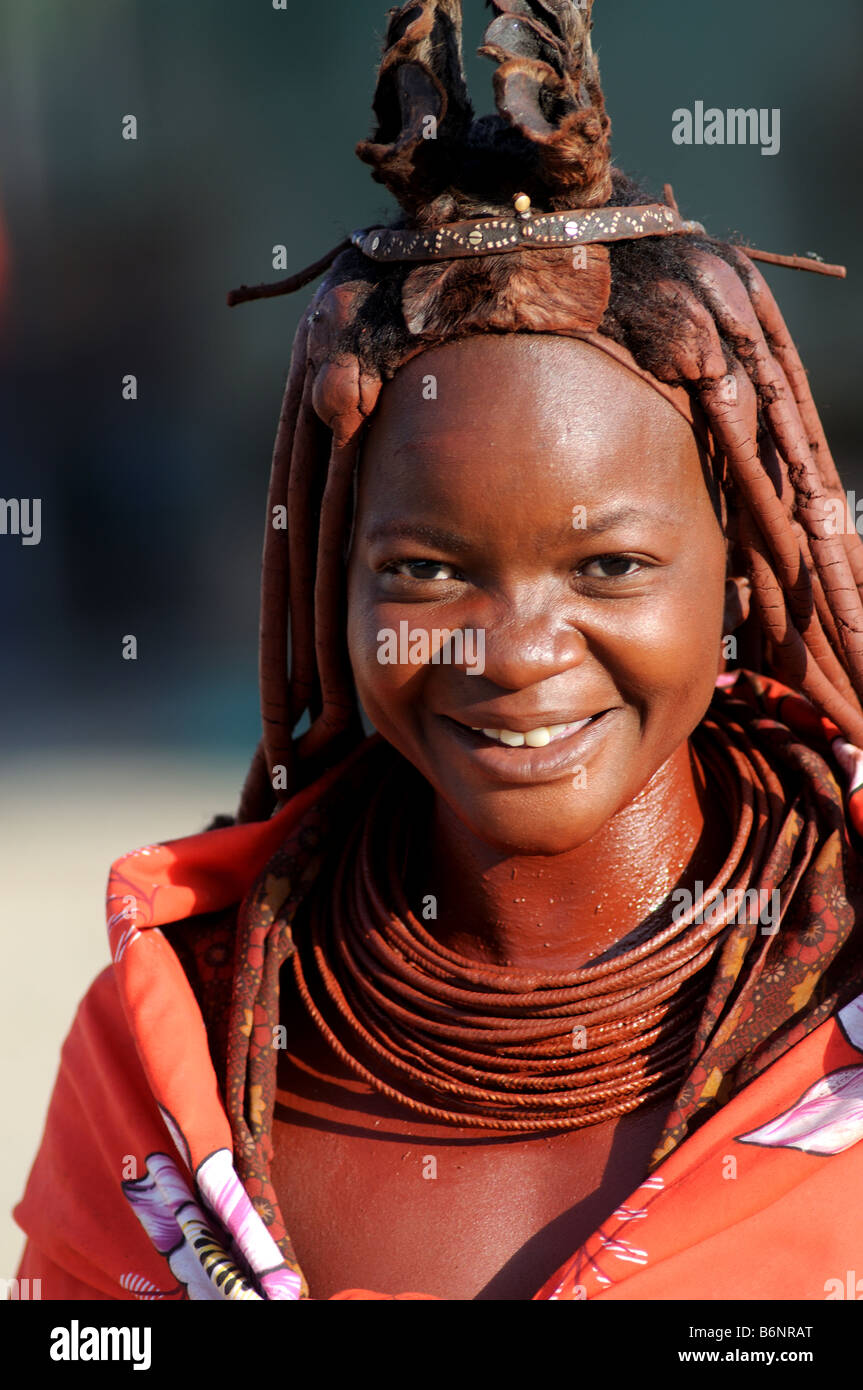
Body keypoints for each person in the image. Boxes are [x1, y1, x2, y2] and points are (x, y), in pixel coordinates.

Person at [13, 0, 863, 1301]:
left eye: (609, 566)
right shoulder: (168, 1044)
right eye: (428, 569)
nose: (517, 649)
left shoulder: (845, 1000)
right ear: (334, 586)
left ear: (734, 568)